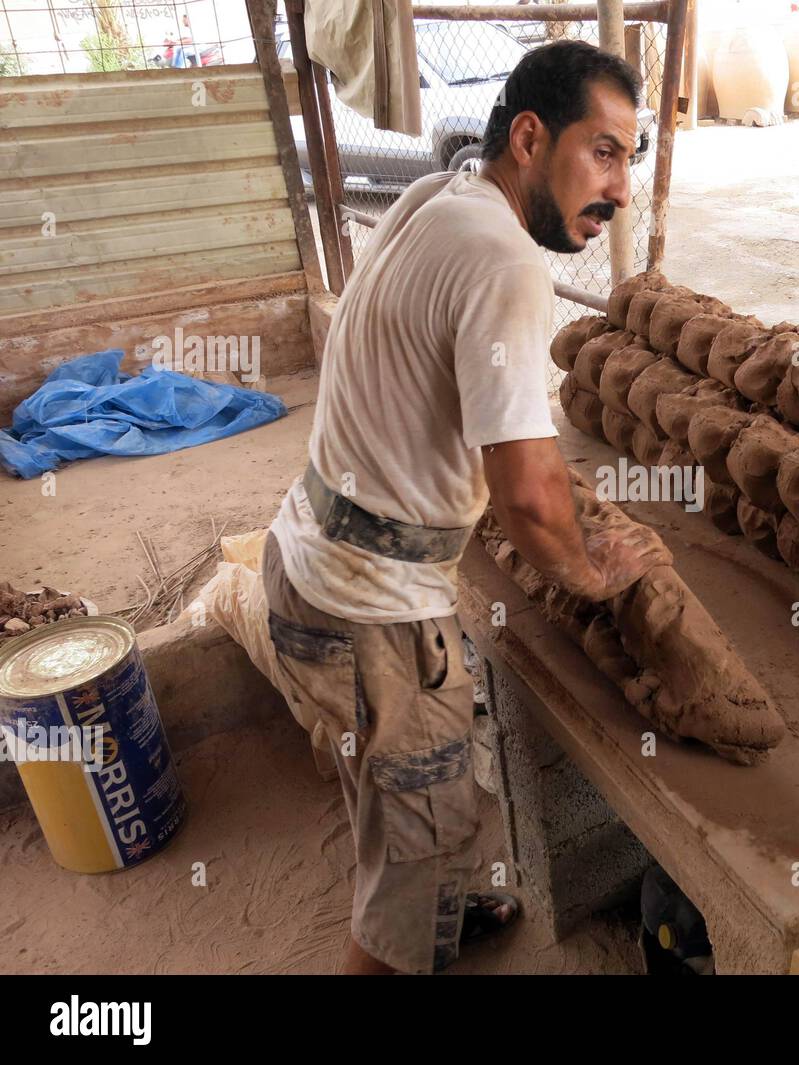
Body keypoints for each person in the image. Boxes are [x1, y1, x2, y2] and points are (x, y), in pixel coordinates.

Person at [262, 39, 665, 974]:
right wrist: (590, 572)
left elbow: (437, 397)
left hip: (304, 556)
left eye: (629, 159)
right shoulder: (508, 264)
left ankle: (427, 892)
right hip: (371, 615)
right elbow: (527, 496)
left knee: (399, 803)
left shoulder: (438, 197)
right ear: (530, 137)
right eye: (601, 153)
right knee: (419, 851)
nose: (619, 190)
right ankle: (408, 922)